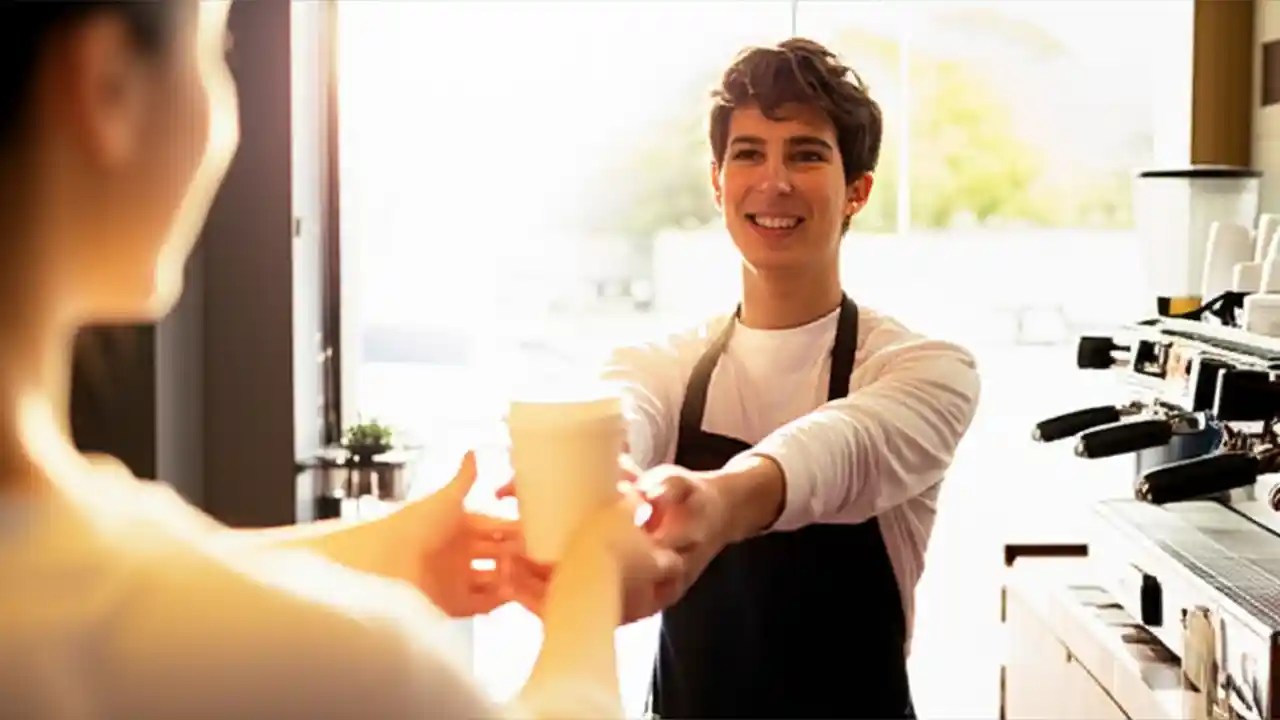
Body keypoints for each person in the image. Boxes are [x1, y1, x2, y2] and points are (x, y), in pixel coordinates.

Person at [0, 2, 680, 719]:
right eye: (215, 50)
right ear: (108, 86)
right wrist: (592, 581)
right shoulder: (356, 671)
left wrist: (386, 551)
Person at [506, 38, 982, 719]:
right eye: (749, 153)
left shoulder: (924, 370)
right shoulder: (664, 364)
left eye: (806, 154)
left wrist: (721, 504)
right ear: (718, 180)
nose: (774, 181)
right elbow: (623, 414)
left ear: (858, 191)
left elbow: (840, 449)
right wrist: (584, 478)